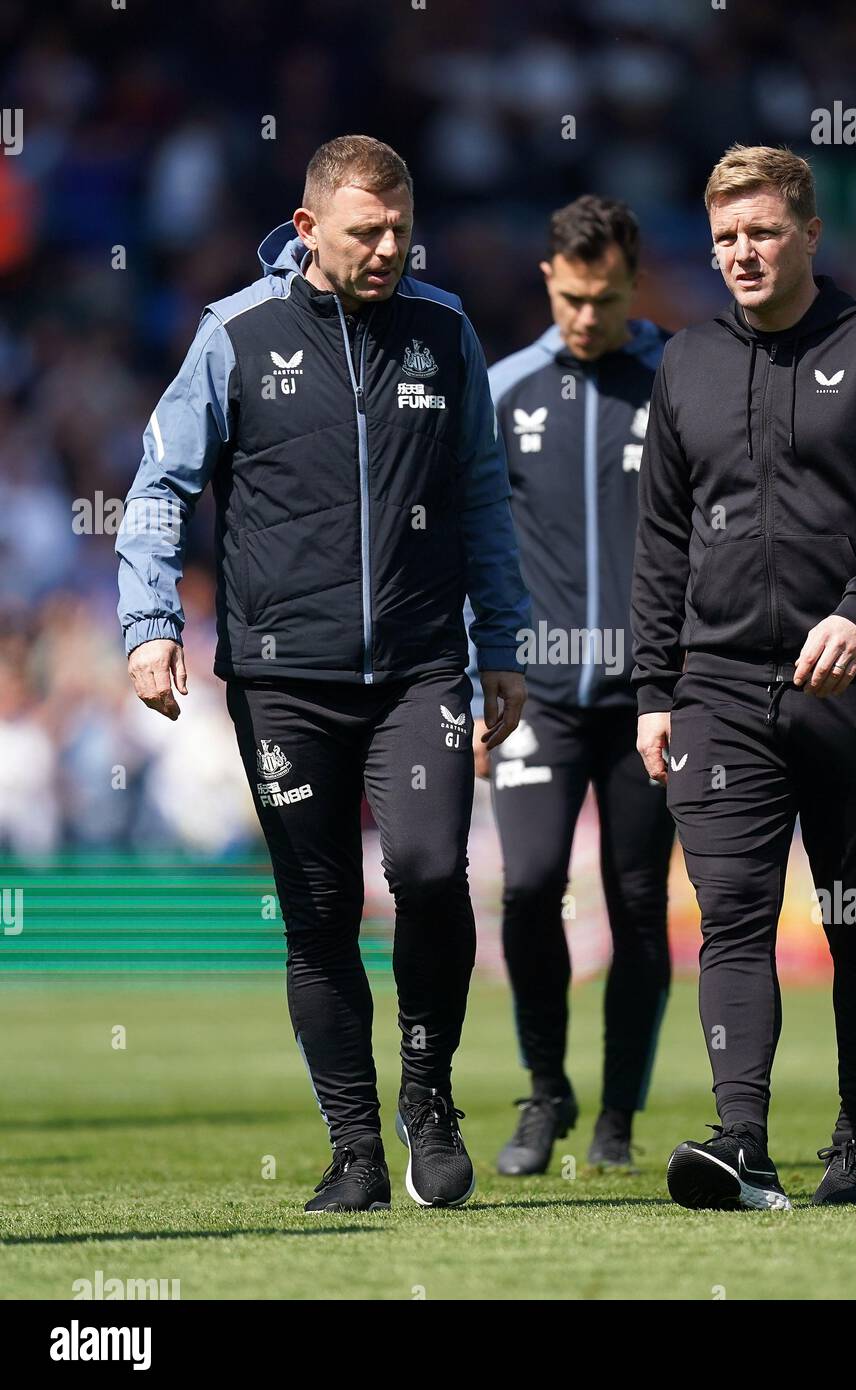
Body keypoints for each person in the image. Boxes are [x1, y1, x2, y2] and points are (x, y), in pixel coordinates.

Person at [116, 135, 531, 1212]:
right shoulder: (234, 336)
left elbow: (485, 495)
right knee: (318, 910)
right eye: (366, 230)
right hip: (281, 676)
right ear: (307, 230)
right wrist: (149, 621)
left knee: (434, 873)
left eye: (401, 227)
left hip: (421, 665)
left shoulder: (445, 330)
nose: (390, 245)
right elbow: (160, 484)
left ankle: (428, 1095)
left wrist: (507, 646)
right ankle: (353, 1149)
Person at [631, 144, 856, 1211]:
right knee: (730, 914)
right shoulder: (686, 363)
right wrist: (651, 688)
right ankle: (741, 1141)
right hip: (718, 687)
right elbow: (662, 538)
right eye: (725, 237)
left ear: (810, 233)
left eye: (762, 232)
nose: (742, 253)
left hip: (851, 690)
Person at [469, 196, 675, 1175]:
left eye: (604, 298)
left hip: (649, 695)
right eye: (570, 296)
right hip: (536, 692)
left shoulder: (678, 381)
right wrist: (479, 671)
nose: (586, 317)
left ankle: (618, 1118)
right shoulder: (504, 389)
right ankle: (545, 1092)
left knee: (638, 900)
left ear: (633, 283)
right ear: (548, 278)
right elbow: (472, 540)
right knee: (532, 886)